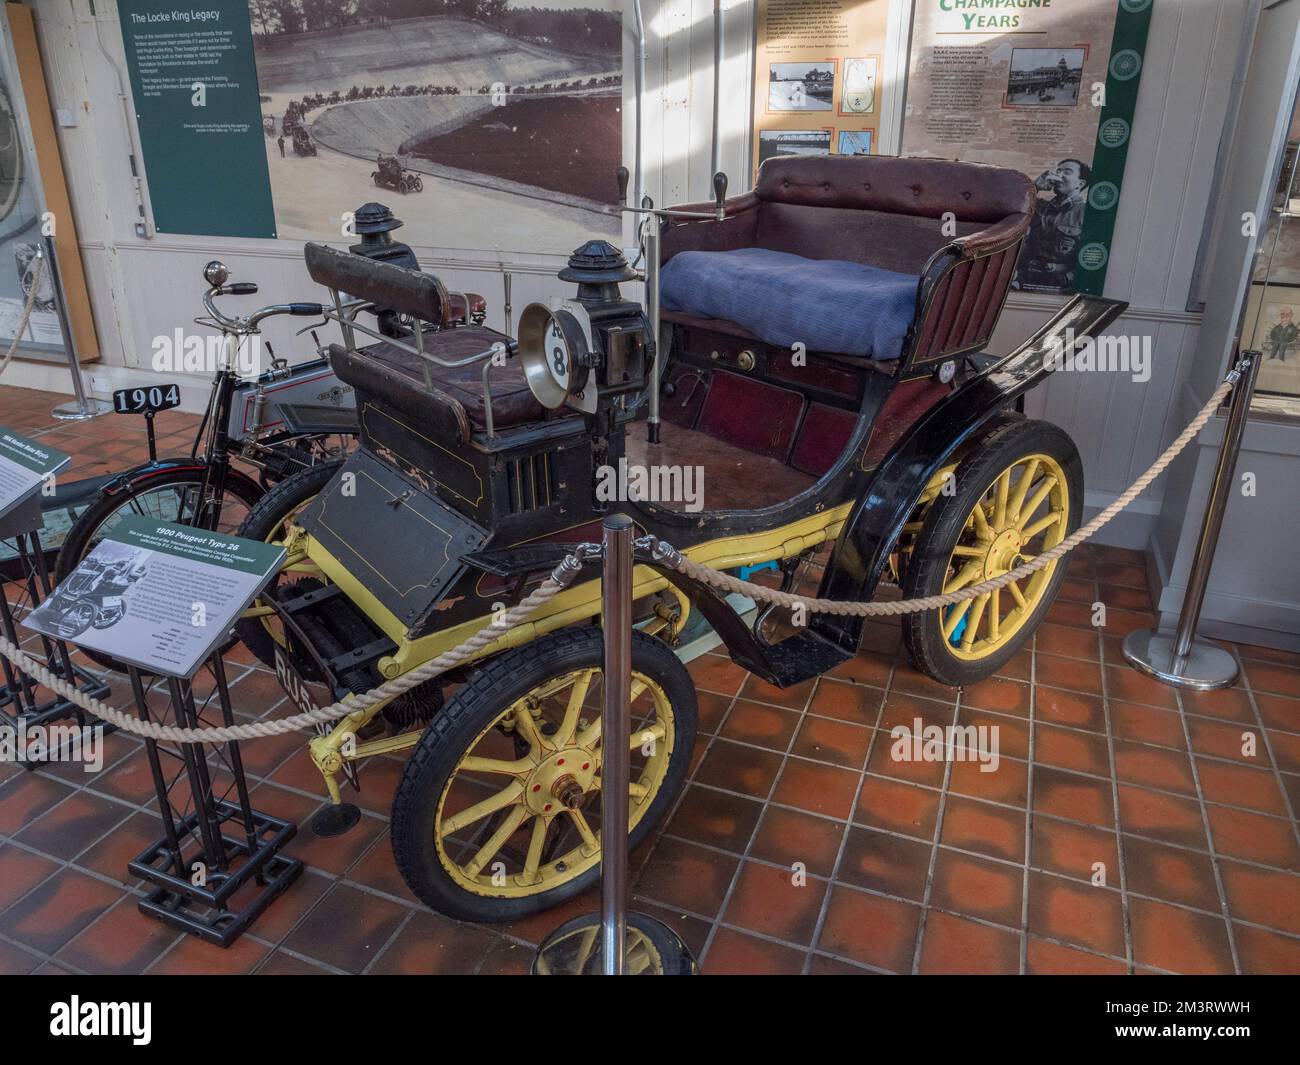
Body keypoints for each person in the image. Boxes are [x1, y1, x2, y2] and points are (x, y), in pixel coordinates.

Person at [1016, 158, 1090, 291]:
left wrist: (1064, 279)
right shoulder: (1039, 206)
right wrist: (1035, 187)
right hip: (1023, 280)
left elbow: (1088, 262)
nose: (1059, 175)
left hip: (1060, 287)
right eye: (1058, 171)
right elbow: (1009, 206)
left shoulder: (1087, 213)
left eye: (1067, 172)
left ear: (1080, 183)